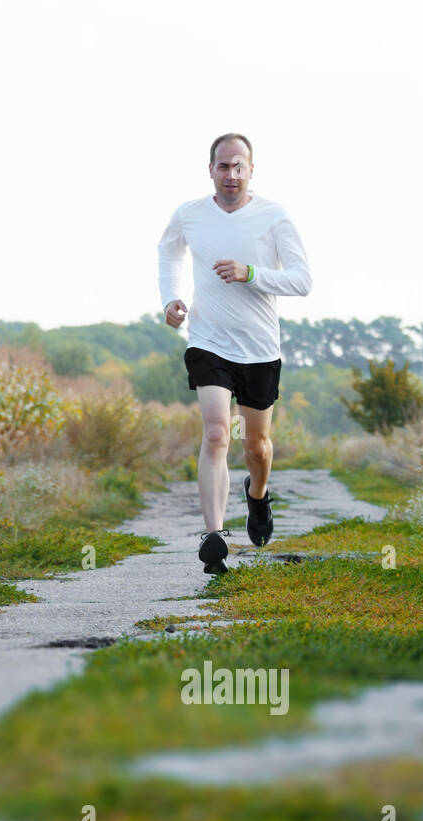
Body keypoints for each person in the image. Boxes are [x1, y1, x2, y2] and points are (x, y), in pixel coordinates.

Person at [158, 132, 313, 574]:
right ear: (210, 170)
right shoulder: (190, 215)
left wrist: (251, 274)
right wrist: (170, 298)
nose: (231, 174)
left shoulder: (273, 217)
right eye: (223, 166)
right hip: (208, 341)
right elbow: (167, 255)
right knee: (216, 435)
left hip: (260, 348)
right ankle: (214, 536)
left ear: (251, 170)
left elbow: (303, 280)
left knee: (257, 447)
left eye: (238, 166)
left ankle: (258, 497)